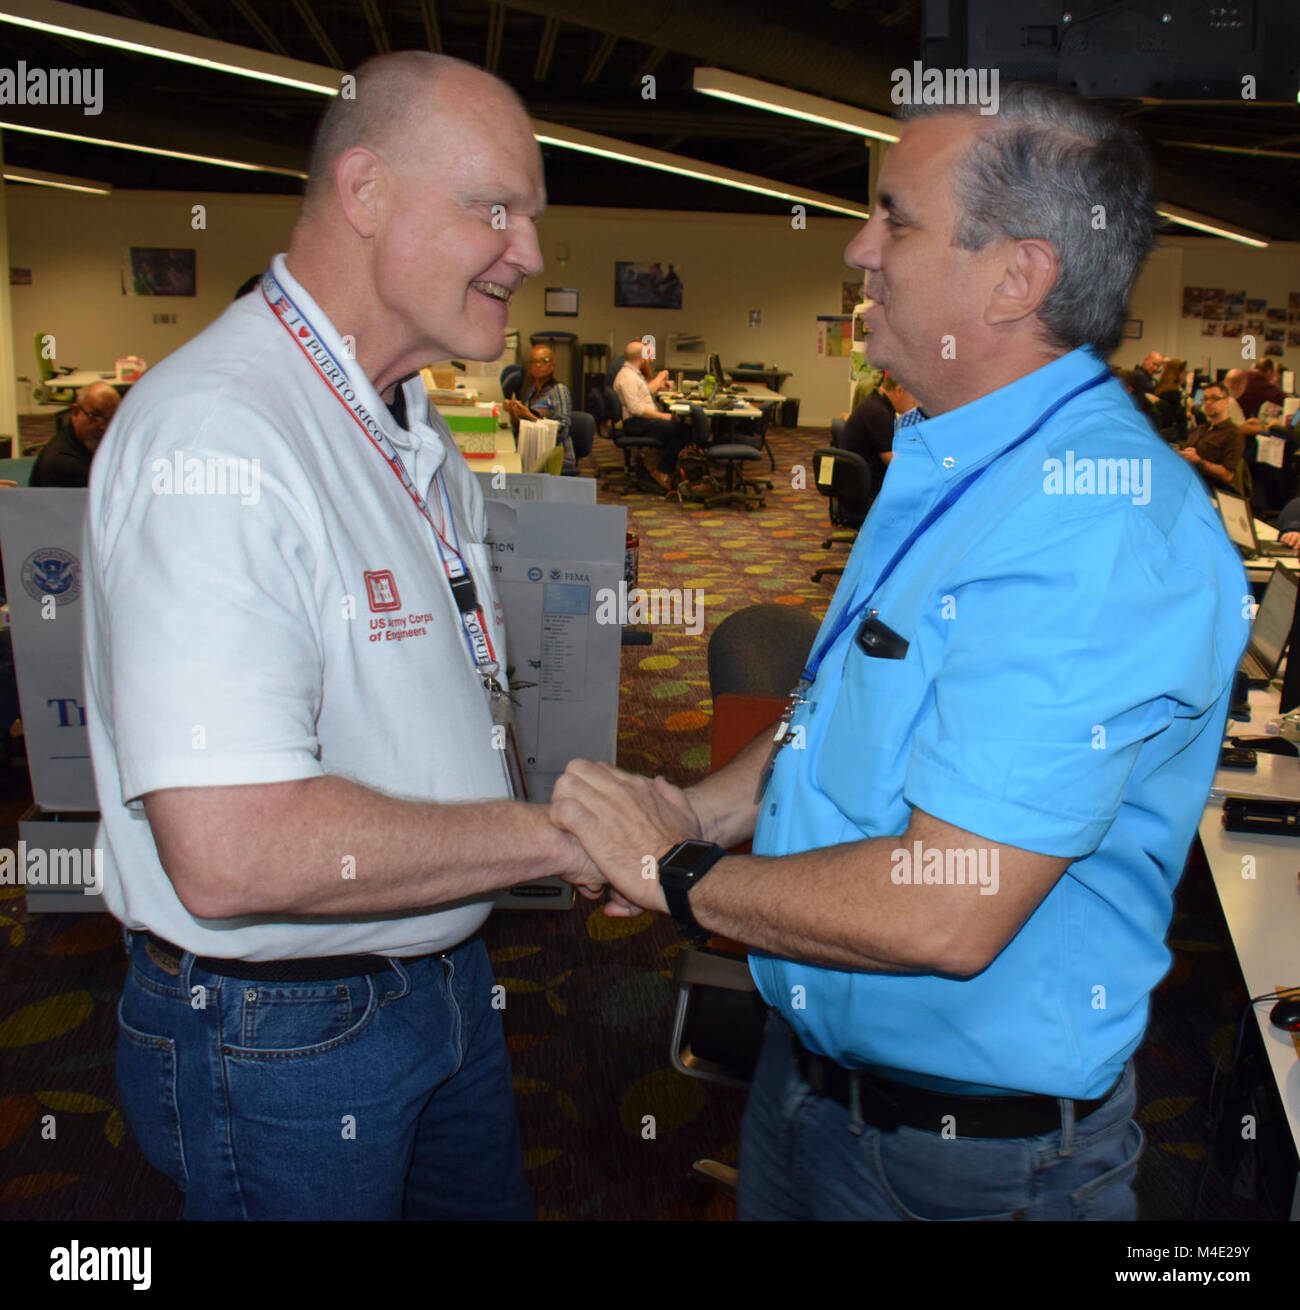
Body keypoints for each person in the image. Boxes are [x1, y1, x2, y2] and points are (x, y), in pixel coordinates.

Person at [550, 82, 1246, 1222]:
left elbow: (950, 906)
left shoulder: (1096, 526)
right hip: (814, 1081)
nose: (857, 247)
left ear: (1013, 277)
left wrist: (676, 879)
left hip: (960, 1164)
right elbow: (827, 721)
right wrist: (696, 811)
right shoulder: (955, 459)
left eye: (896, 219)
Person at [83, 52, 603, 1222]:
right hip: (286, 1030)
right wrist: (555, 837)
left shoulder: (405, 428)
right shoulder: (221, 437)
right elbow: (232, 850)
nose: (526, 252)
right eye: (496, 208)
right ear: (365, 193)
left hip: (443, 980)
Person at [611, 338, 688, 493]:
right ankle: (662, 470)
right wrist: (663, 417)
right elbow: (636, 409)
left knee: (677, 428)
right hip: (635, 423)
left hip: (639, 420)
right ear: (641, 357)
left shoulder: (633, 374)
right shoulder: (627, 377)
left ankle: (655, 466)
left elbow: (641, 395)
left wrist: (658, 387)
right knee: (682, 430)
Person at [839, 372, 921, 486]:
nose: (916, 404)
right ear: (899, 391)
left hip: (862, 479)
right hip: (869, 487)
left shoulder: (876, 402)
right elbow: (894, 463)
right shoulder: (879, 413)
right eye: (915, 398)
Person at [30, 381, 119, 487]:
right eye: (95, 417)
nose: (104, 427)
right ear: (75, 412)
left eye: (112, 419)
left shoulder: (81, 440)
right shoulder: (63, 465)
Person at [503, 343, 573, 463]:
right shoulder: (532, 391)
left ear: (552, 366)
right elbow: (521, 429)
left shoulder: (558, 390)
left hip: (554, 456)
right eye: (534, 362)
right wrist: (513, 413)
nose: (538, 365)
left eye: (544, 361)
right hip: (533, 451)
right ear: (529, 368)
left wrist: (528, 414)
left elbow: (562, 431)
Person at [1178, 379, 1244, 491]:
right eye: (1206, 399)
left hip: (1208, 490)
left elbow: (1228, 475)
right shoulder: (1201, 429)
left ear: (1226, 401)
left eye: (1214, 398)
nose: (1208, 403)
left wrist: (1199, 461)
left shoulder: (1233, 434)